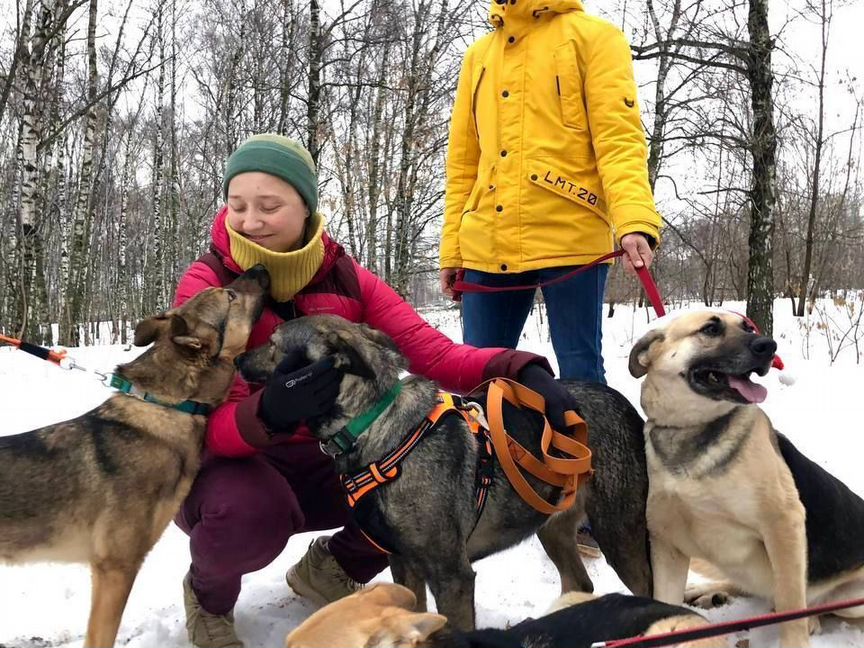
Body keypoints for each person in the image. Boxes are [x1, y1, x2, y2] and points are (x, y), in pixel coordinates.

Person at [173, 134, 583, 648]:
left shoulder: (348, 279)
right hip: (241, 466)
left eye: (269, 205)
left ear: (306, 209)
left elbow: (433, 355)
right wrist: (269, 413)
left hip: (330, 455)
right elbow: (193, 420)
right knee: (245, 512)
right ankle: (208, 599)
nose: (250, 221)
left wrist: (519, 368)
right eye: (237, 206)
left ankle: (335, 567)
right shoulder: (207, 289)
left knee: (407, 479)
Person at [439, 0, 662, 386]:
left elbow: (619, 141)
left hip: (571, 235)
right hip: (486, 243)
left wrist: (633, 220)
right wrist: (453, 249)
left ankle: (595, 447)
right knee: (479, 380)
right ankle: (494, 448)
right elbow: (463, 163)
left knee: (582, 378)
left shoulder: (595, 38)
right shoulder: (478, 56)